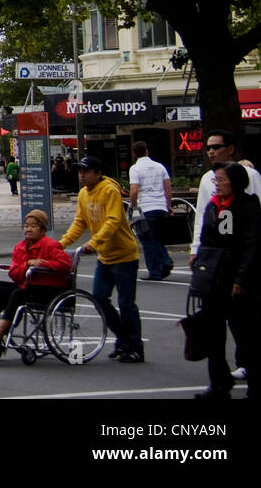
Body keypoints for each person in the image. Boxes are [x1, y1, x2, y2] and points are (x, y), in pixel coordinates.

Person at [191, 132, 261, 382]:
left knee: (248, 320)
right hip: (217, 264)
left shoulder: (248, 178)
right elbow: (203, 218)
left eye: (216, 147)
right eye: (208, 148)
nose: (211, 151)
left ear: (231, 149)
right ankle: (226, 377)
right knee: (221, 322)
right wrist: (197, 250)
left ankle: (259, 361)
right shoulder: (209, 180)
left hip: (240, 264)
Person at [58, 155, 144, 362]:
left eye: (86, 172)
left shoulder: (109, 190)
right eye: (80, 172)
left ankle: (135, 346)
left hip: (123, 255)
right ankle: (123, 339)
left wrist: (93, 243)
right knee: (99, 297)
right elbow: (80, 222)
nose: (82, 176)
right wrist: (60, 244)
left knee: (126, 303)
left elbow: (113, 221)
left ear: (98, 173)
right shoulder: (83, 195)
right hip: (105, 257)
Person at [0, 210, 69, 349]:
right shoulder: (20, 247)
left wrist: (43, 264)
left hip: (47, 288)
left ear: (42, 229)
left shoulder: (51, 245)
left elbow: (65, 265)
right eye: (26, 226)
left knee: (18, 294)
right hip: (28, 286)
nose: (28, 229)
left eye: (33, 226)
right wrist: (26, 264)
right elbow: (14, 274)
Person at [128, 140, 173, 280]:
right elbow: (167, 188)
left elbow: (134, 190)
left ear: (134, 153)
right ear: (147, 151)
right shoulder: (160, 167)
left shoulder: (135, 169)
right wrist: (168, 205)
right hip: (160, 205)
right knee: (156, 237)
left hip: (146, 207)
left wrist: (133, 206)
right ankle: (164, 260)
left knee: (146, 240)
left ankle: (157, 268)